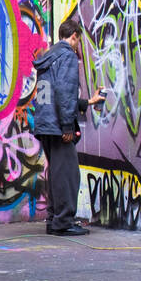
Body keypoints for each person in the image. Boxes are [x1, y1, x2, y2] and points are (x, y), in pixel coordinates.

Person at [33, 18, 105, 236]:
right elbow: (64, 94)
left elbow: (54, 92)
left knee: (56, 173)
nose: (77, 45)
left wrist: (87, 103)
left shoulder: (49, 57)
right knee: (68, 174)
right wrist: (67, 128)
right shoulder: (67, 57)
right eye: (78, 41)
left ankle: (55, 220)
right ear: (74, 36)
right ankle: (63, 223)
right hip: (58, 125)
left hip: (45, 123)